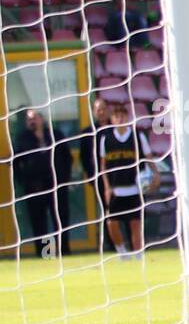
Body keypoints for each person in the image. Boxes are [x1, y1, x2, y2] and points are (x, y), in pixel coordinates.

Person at [98, 102, 158, 260]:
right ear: (112, 118)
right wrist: (107, 187)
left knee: (135, 223)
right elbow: (103, 166)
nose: (120, 118)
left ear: (127, 117)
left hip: (135, 187)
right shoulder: (106, 139)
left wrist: (156, 174)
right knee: (111, 222)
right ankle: (122, 251)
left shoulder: (138, 136)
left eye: (122, 115)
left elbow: (149, 158)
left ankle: (138, 253)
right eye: (116, 116)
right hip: (116, 189)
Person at [12, 108, 72, 257]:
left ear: (41, 119)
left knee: (60, 219)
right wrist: (23, 181)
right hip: (35, 187)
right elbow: (15, 162)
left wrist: (65, 179)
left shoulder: (55, 135)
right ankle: (47, 253)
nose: (32, 121)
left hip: (56, 185)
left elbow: (67, 157)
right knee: (40, 222)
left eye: (34, 118)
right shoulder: (23, 138)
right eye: (29, 119)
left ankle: (64, 250)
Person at [78, 98, 111, 251]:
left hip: (120, 177)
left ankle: (133, 243)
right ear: (93, 112)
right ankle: (112, 245)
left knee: (126, 210)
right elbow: (84, 157)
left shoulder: (118, 128)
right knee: (106, 210)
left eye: (103, 108)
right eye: (98, 109)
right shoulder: (88, 133)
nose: (101, 112)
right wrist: (91, 176)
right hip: (99, 178)